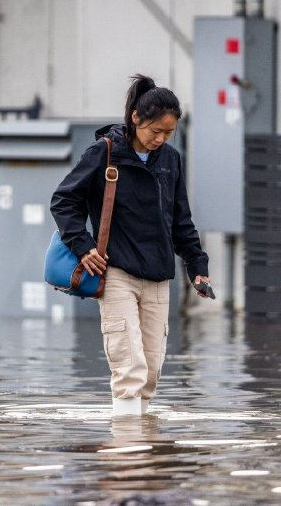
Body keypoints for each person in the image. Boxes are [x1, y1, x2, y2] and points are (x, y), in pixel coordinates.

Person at [51, 74, 212, 416]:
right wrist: (84, 246)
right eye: (156, 130)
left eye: (169, 133)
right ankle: (128, 456)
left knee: (151, 370)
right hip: (117, 275)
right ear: (136, 119)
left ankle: (144, 453)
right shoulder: (104, 153)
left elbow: (181, 220)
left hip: (157, 277)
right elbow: (63, 200)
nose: (161, 138)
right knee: (130, 368)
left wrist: (197, 268)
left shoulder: (170, 160)